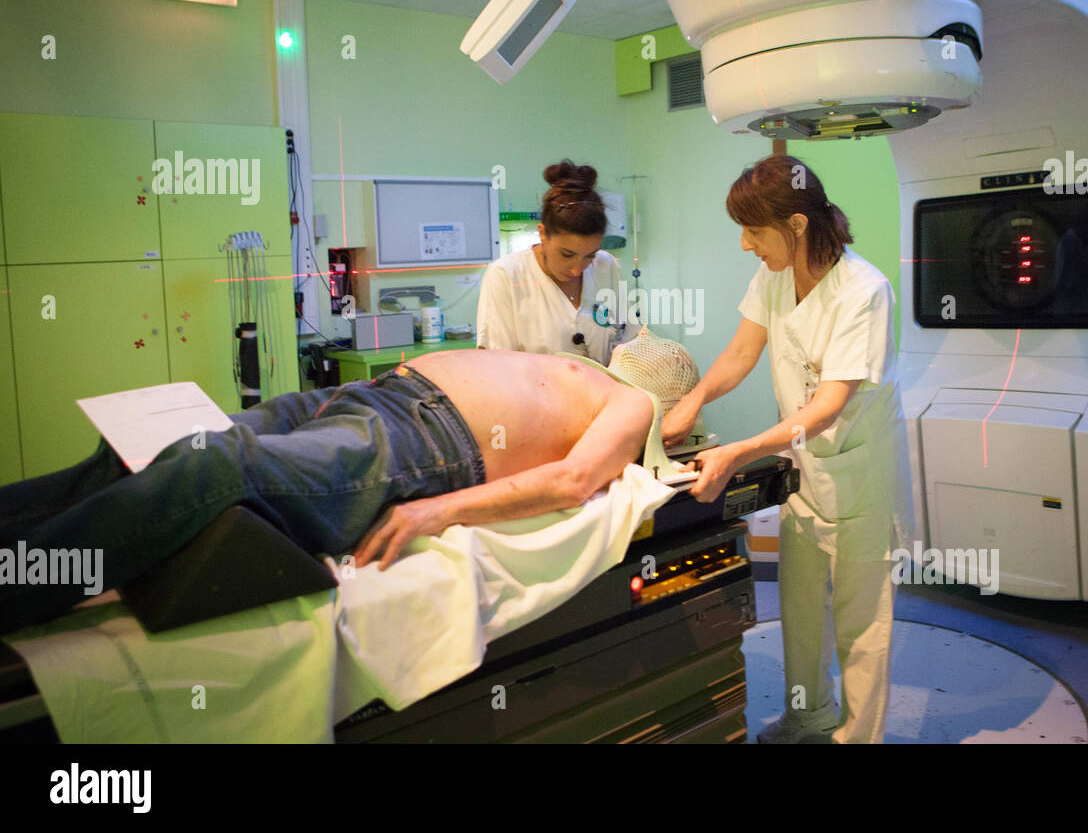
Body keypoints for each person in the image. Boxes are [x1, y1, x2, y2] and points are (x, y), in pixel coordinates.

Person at [0, 349, 656, 634]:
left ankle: (16, 586)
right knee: (154, 445)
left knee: (212, 466)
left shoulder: (633, 402)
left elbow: (572, 481)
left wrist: (437, 510)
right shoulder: (574, 364)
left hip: (422, 444)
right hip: (373, 396)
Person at [662, 154, 913, 744]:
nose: (746, 245)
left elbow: (828, 405)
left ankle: (858, 737)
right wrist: (693, 399)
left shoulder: (865, 291)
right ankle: (809, 718)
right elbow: (742, 352)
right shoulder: (775, 276)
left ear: (796, 225)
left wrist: (738, 453)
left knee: (861, 624)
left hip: (860, 473)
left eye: (753, 230)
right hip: (805, 470)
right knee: (801, 611)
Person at [476, 160, 637, 366]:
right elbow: (497, 367)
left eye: (589, 255)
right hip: (535, 397)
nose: (577, 269)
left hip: (606, 396)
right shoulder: (506, 275)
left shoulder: (606, 266)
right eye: (567, 254)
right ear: (543, 233)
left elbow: (630, 342)